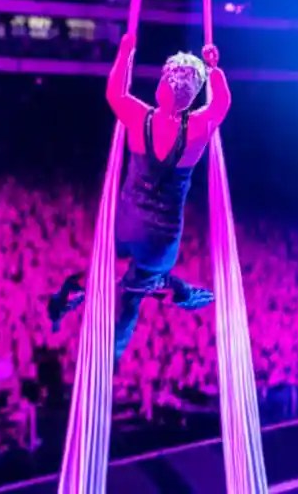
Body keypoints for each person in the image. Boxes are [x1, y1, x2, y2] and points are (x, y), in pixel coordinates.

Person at [49, 33, 231, 361]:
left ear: (163, 85)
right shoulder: (198, 129)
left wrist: (125, 52)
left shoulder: (139, 116)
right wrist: (214, 69)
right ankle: (115, 349)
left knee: (109, 277)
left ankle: (72, 298)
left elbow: (115, 92)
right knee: (132, 292)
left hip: (127, 224)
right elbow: (220, 105)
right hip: (161, 238)